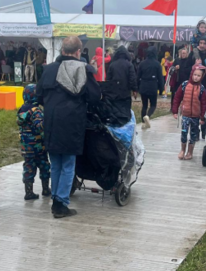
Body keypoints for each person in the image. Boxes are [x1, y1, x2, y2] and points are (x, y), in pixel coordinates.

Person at [36, 36, 101, 218]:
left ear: (62, 50)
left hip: (51, 122)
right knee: (68, 165)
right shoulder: (82, 69)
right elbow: (95, 96)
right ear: (78, 52)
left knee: (55, 163)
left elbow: (38, 94)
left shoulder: (48, 70)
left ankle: (56, 198)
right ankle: (61, 204)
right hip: (72, 123)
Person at [18, 84, 51, 201]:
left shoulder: (22, 110)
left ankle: (29, 192)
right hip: (38, 146)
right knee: (44, 166)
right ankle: (46, 189)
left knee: (28, 167)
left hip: (26, 147)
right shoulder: (36, 111)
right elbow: (40, 127)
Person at [172, 65, 206, 160]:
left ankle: (190, 152)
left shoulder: (201, 89)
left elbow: (204, 104)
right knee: (184, 133)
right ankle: (182, 150)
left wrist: (202, 118)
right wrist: (175, 111)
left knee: (193, 135)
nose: (196, 77)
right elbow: (177, 98)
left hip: (196, 117)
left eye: (198, 76)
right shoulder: (185, 85)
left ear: (201, 77)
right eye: (195, 74)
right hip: (185, 115)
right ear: (191, 74)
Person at [105, 46, 138, 125]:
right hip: (125, 92)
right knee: (126, 111)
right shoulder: (129, 65)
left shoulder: (112, 65)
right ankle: (125, 125)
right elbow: (132, 79)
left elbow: (108, 80)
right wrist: (134, 90)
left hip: (114, 93)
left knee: (115, 111)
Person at [137, 46, 164, 129]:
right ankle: (148, 116)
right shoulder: (157, 64)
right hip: (153, 86)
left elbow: (138, 76)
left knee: (144, 105)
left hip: (143, 85)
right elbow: (160, 78)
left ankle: (143, 123)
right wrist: (161, 89)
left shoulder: (142, 63)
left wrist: (138, 87)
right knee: (153, 105)